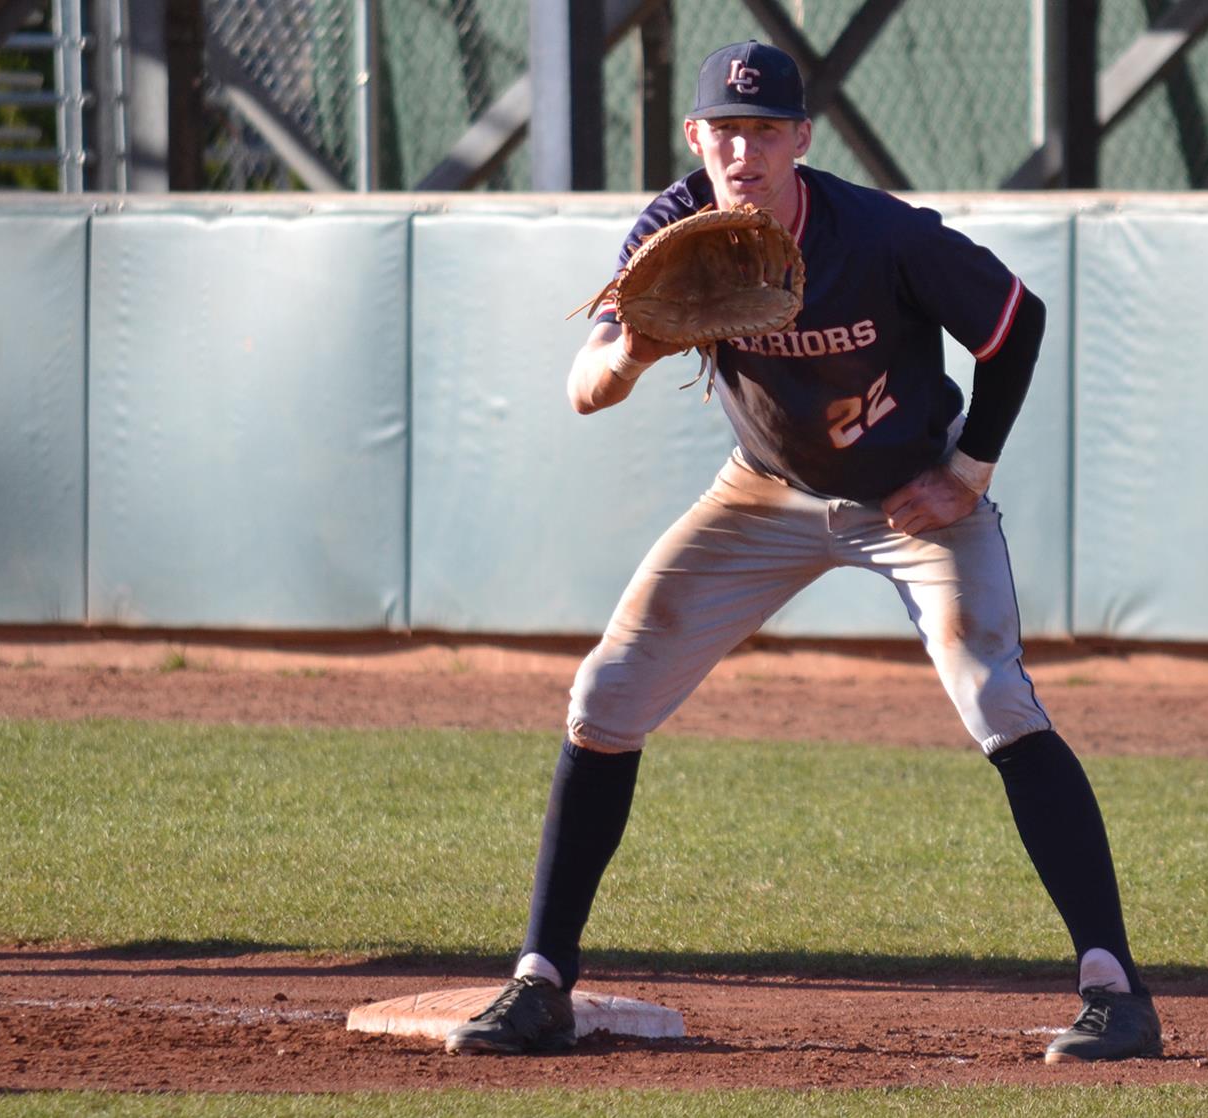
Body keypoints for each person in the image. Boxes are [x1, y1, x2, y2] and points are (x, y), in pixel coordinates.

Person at [446, 40, 1163, 1065]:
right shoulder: (672, 228)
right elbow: (584, 386)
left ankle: (1115, 989)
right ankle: (541, 979)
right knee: (604, 694)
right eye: (723, 130)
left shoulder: (876, 236)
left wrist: (968, 470)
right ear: (696, 138)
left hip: (912, 500)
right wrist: (636, 346)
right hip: (763, 494)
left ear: (798, 140)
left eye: (764, 130)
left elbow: (1015, 321)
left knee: (995, 697)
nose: (742, 149)